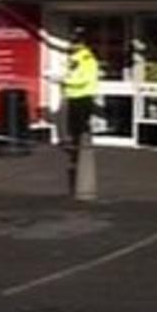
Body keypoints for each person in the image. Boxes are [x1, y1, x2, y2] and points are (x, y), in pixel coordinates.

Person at [57, 27, 100, 194]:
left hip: (82, 96)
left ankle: (82, 158)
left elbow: (83, 78)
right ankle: (77, 155)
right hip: (75, 96)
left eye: (74, 41)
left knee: (81, 127)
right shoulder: (75, 57)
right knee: (75, 127)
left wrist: (64, 80)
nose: (71, 44)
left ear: (81, 43)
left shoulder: (86, 58)